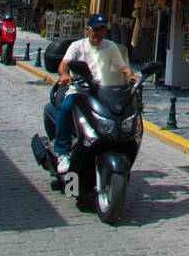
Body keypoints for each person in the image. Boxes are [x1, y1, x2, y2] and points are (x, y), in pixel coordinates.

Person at [54, 13, 138, 174]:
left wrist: (130, 75)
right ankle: (62, 152)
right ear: (88, 30)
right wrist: (64, 75)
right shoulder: (77, 46)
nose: (98, 34)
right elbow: (64, 64)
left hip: (103, 90)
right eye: (95, 30)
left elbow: (122, 67)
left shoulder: (110, 46)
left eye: (102, 30)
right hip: (80, 89)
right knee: (66, 108)